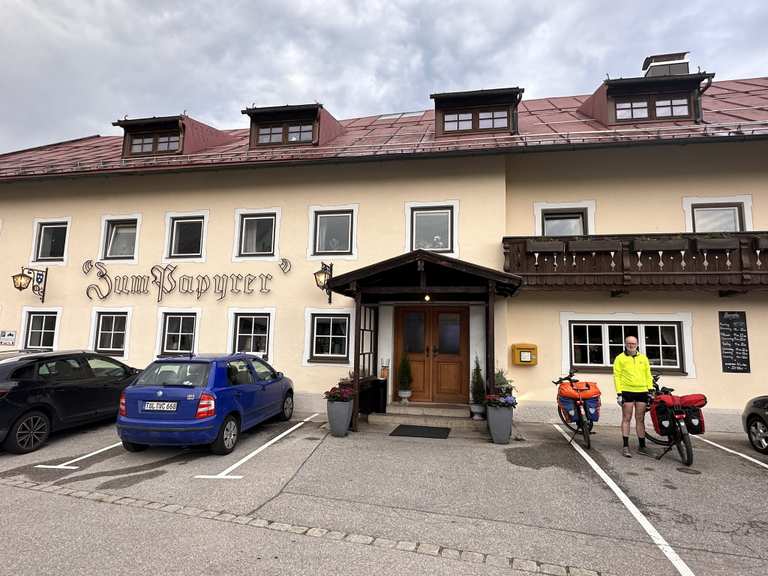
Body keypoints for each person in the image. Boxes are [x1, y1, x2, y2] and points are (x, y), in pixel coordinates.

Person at [613, 335, 654, 458]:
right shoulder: (620, 358)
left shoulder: (643, 358)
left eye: (634, 343)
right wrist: (619, 393)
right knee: (627, 418)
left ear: (637, 344)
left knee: (640, 419)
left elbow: (648, 374)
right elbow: (617, 376)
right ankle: (626, 446)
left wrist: (650, 390)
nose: (631, 345)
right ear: (625, 344)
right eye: (629, 343)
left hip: (642, 391)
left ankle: (642, 446)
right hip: (627, 391)